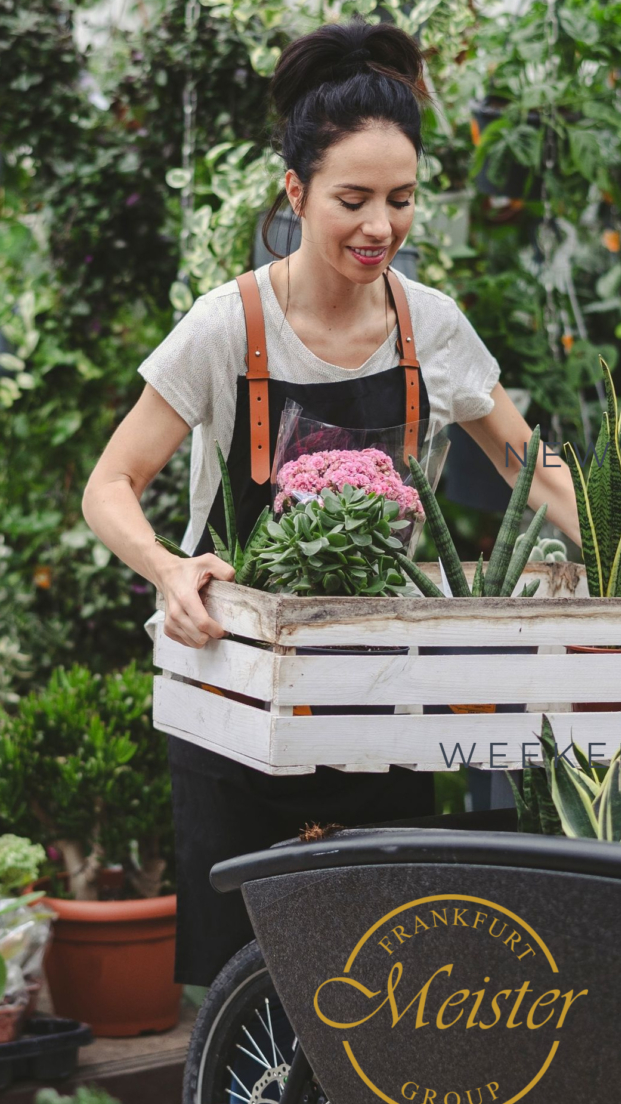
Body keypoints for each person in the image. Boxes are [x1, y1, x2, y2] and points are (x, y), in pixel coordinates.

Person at [82, 19, 580, 988]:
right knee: (242, 983)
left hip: (381, 697)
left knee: (391, 974)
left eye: (401, 200)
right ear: (296, 192)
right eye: (353, 199)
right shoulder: (230, 324)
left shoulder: (430, 325)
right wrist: (171, 569)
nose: (380, 227)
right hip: (235, 689)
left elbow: (533, 460)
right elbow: (110, 485)